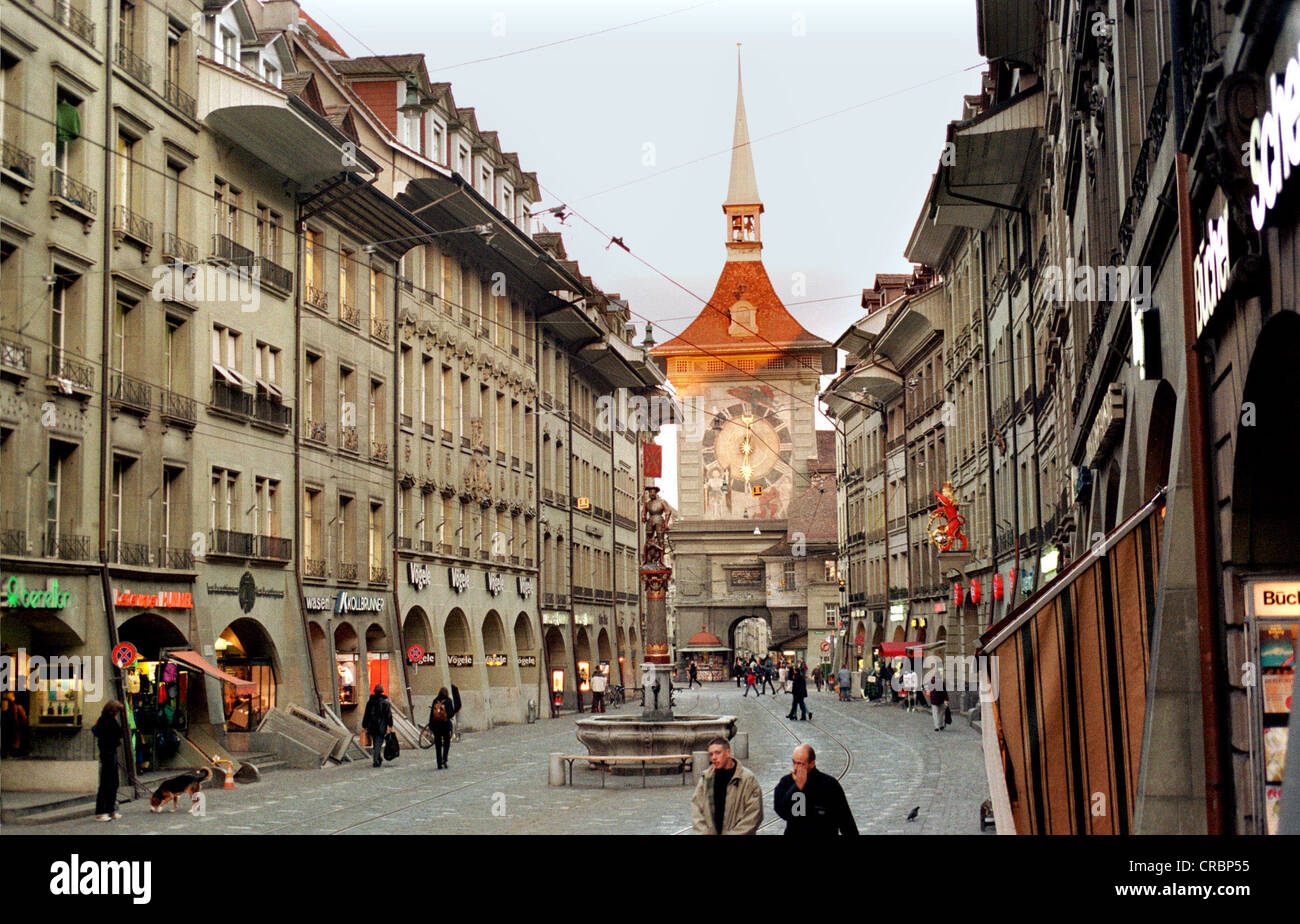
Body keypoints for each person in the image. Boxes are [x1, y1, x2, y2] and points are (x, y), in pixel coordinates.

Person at [773, 744, 858, 835]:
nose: (796, 768)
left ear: (812, 763)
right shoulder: (787, 782)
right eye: (794, 762)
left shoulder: (829, 785)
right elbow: (782, 811)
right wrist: (797, 788)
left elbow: (846, 821)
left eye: (801, 764)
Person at [689, 737, 763, 835]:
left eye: (718, 753)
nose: (714, 757)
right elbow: (697, 809)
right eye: (711, 754)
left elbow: (754, 814)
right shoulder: (706, 778)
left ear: (728, 753)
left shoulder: (747, 778)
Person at [91, 701, 125, 821]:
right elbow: (117, 733)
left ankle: (111, 810)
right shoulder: (106, 720)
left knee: (114, 782)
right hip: (107, 753)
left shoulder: (109, 719)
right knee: (106, 782)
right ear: (112, 710)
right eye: (117, 711)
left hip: (111, 752)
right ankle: (100, 812)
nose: (117, 714)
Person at [361, 683, 392, 768]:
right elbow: (388, 715)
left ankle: (378, 758)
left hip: (372, 726)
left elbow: (366, 714)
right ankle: (376, 760)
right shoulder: (385, 703)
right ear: (382, 692)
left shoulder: (370, 702)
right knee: (378, 743)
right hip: (381, 726)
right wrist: (390, 725)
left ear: (374, 692)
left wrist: (364, 725)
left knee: (375, 743)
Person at [428, 686, 455, 768]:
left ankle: (439, 763)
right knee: (446, 743)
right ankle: (445, 759)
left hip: (436, 726)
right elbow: (451, 713)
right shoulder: (448, 701)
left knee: (438, 745)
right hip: (445, 725)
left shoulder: (435, 701)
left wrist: (431, 726)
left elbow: (431, 715)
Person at [1, 692, 28, 758]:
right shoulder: (17, 707)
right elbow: (23, 718)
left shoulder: (13, 707)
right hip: (14, 727)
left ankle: (10, 753)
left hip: (12, 726)